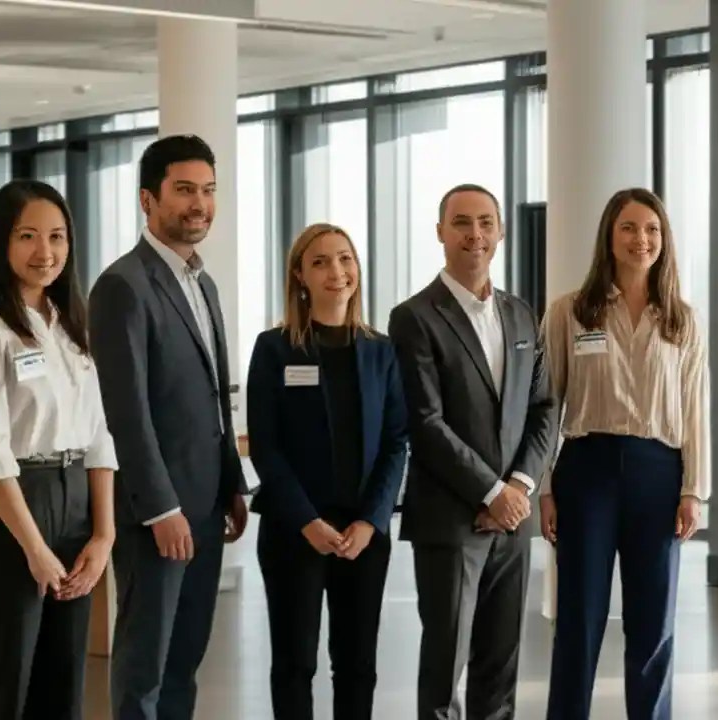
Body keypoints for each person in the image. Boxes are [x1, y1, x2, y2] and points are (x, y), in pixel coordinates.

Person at [88, 134, 250, 720]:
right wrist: (161, 509)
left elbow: (214, 399)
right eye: (184, 190)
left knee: (185, 663)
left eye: (208, 190)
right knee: (144, 668)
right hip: (158, 516)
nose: (199, 204)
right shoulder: (122, 286)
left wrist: (233, 484)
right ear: (147, 200)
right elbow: (125, 410)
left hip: (207, 506)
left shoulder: (202, 284)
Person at [0, 179, 118, 719]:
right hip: (9, 512)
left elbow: (97, 435)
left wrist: (103, 534)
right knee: (9, 684)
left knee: (64, 685)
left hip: (75, 505)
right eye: (28, 236)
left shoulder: (69, 324)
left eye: (57, 237)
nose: (46, 252)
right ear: (1, 242)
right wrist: (36, 548)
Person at [540, 188, 710, 720]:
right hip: (586, 470)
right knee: (579, 620)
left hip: (659, 473)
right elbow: (547, 404)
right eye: (630, 229)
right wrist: (544, 487)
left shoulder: (681, 319)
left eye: (652, 230)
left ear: (665, 240)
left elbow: (697, 408)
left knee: (653, 623)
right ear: (609, 238)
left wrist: (693, 490)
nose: (642, 240)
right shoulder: (571, 310)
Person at [387, 183, 556, 720]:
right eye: (461, 222)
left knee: (499, 669)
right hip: (450, 521)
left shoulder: (522, 315)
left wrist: (520, 489)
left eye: (485, 222)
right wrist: (490, 491)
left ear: (500, 231)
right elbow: (425, 422)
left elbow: (546, 410)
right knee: (445, 669)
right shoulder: (413, 317)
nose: (474, 234)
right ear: (440, 232)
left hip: (513, 521)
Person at [245, 222, 408, 719]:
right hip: (295, 530)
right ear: (300, 275)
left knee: (357, 665)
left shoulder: (381, 351)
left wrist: (371, 520)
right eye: (320, 262)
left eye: (344, 259)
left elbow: (396, 442)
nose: (336, 271)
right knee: (295, 663)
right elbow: (266, 448)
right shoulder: (274, 349)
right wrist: (306, 521)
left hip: (363, 532)